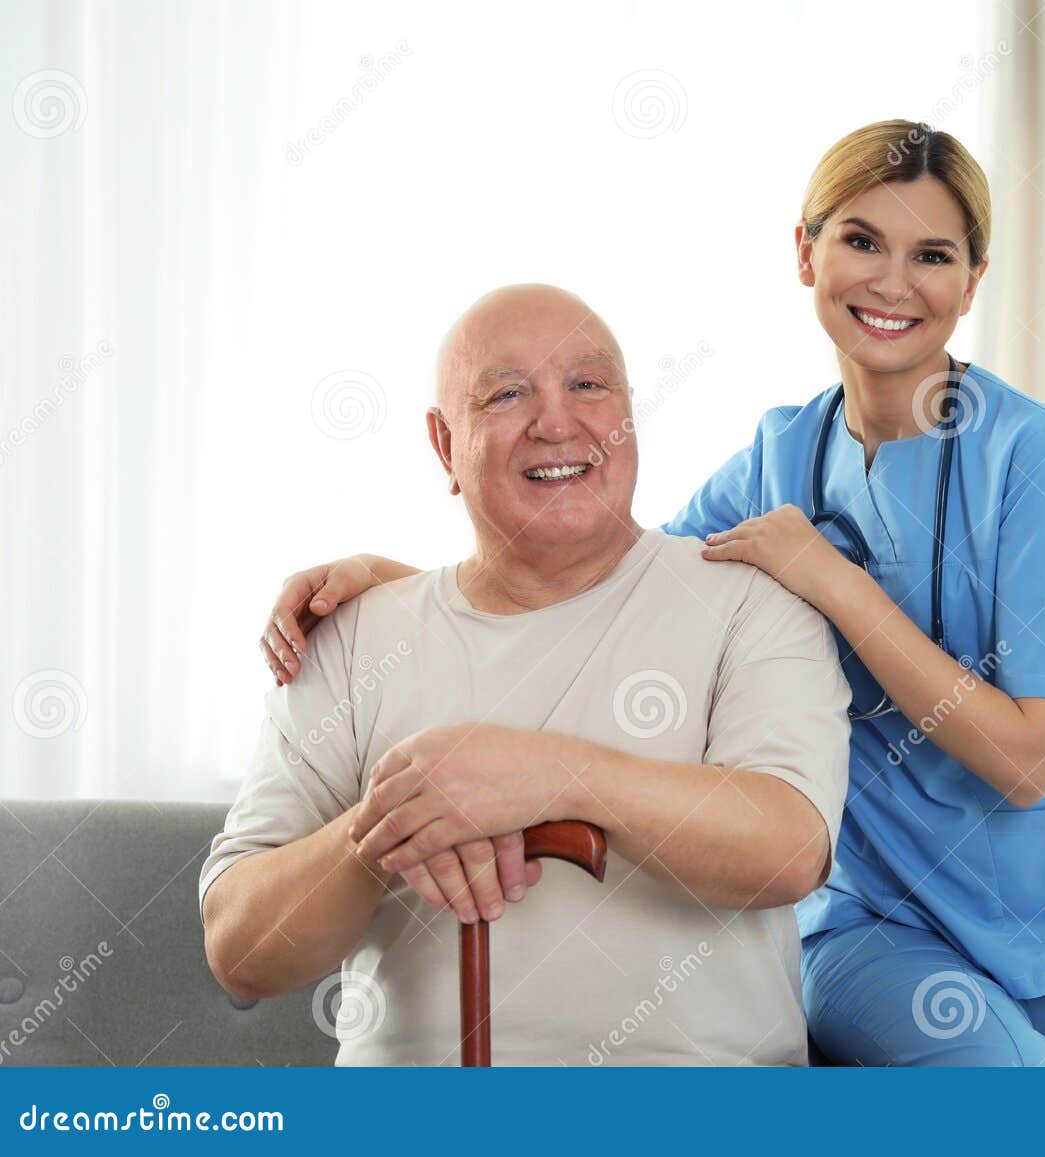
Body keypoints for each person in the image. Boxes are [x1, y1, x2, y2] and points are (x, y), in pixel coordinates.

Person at [258, 121, 1045, 1067]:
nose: (892, 280)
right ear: (805, 253)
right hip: (881, 921)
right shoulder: (780, 456)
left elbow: (1028, 759)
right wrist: (406, 584)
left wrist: (831, 579)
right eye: (860, 239)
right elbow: (605, 565)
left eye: (934, 254)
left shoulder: (1033, 452)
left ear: (973, 280)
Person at [202, 284, 851, 1066]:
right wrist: (383, 833)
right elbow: (239, 947)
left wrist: (557, 773)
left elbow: (788, 849)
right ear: (445, 446)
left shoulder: (751, 600)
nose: (555, 422)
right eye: (507, 393)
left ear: (628, 415)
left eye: (588, 384)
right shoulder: (350, 631)